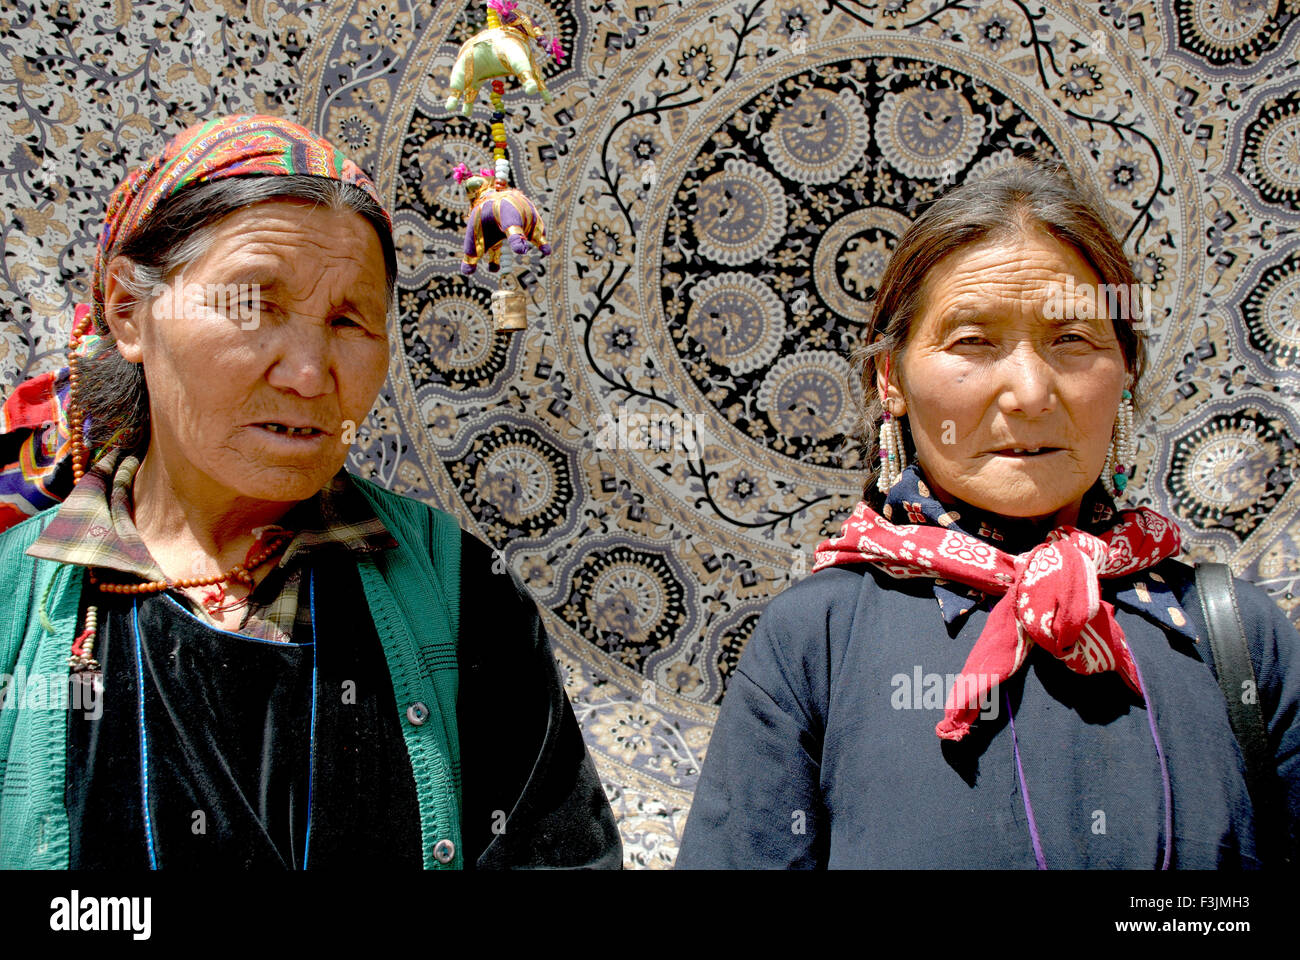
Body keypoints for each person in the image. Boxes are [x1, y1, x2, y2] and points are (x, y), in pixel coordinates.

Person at [0, 114, 621, 870]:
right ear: (131, 312)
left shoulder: (460, 591)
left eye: (349, 319)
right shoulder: (13, 604)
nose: (308, 373)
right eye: (253, 305)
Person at [675, 160, 1300, 869]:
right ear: (893, 378)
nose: (1030, 391)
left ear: (1124, 369)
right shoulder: (814, 644)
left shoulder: (1240, 642)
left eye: (1073, 341)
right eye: (973, 341)